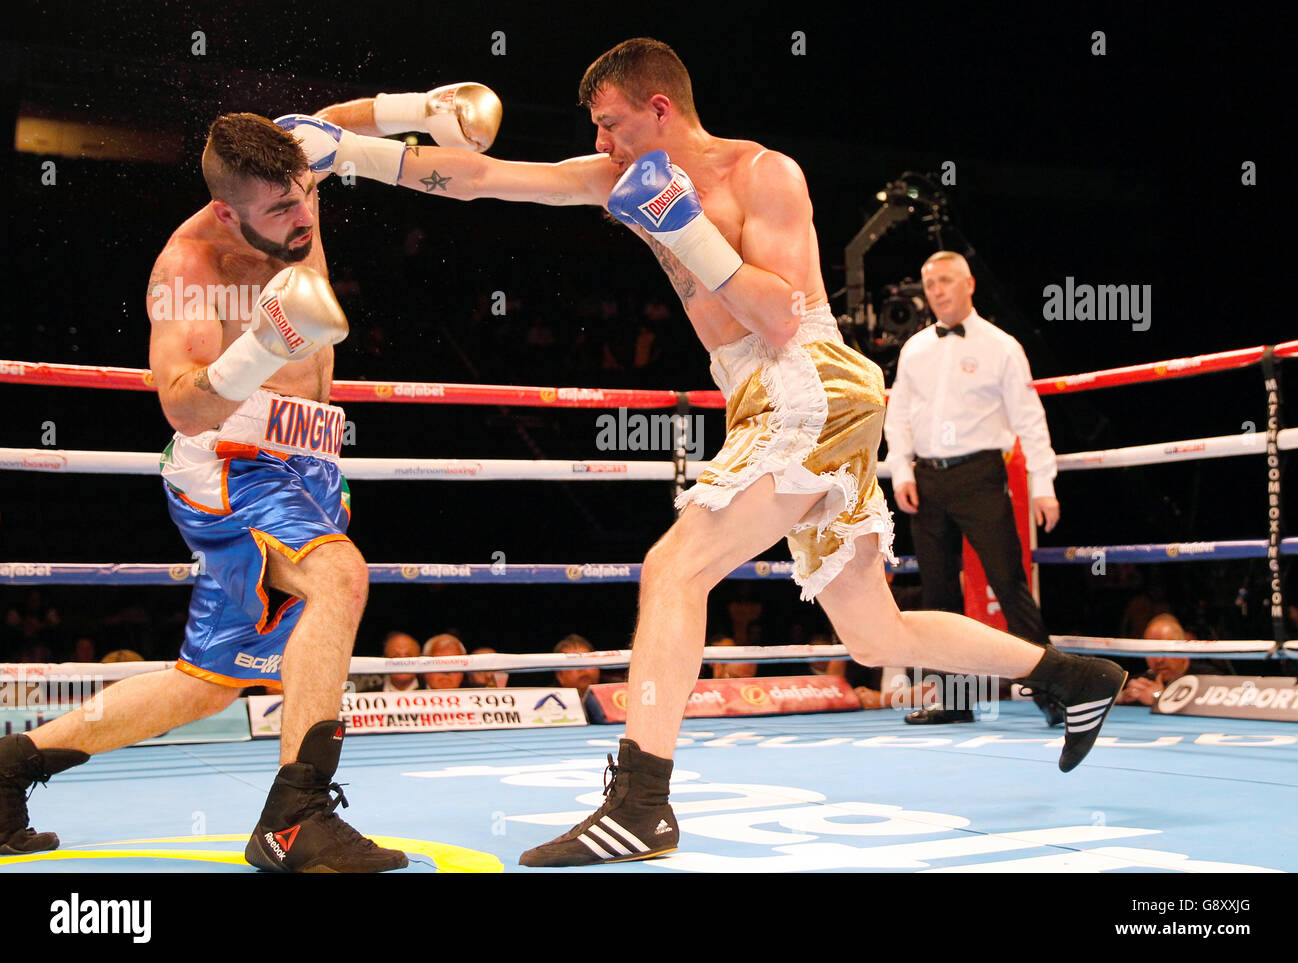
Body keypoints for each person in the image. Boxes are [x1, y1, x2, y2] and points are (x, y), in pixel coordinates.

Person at [287, 37, 1127, 867]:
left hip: (809, 381)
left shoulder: (762, 175)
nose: (601, 144)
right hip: (760, 398)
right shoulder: (617, 177)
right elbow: (479, 179)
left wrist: (683, 227)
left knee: (673, 568)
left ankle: (640, 802)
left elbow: (780, 319)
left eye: (612, 123)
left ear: (660, 108)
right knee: (874, 632)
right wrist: (351, 152)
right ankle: (1066, 674)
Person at [0, 99, 499, 869]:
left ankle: (12, 765)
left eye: (307, 193)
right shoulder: (189, 267)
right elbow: (181, 402)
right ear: (229, 214)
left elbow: (333, 119)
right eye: (280, 207)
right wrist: (262, 347)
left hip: (308, 464)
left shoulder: (293, 168)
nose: (305, 213)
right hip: (231, 464)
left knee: (206, 684)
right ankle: (294, 819)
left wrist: (422, 109)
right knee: (339, 575)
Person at [883, 250, 1064, 728]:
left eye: (945, 280)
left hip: (982, 475)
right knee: (938, 592)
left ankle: (1057, 694)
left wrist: (1043, 484)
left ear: (969, 285)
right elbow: (897, 414)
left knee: (1009, 583)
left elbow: (1030, 419)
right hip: (926, 480)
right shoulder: (915, 348)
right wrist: (900, 471)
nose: (937, 290)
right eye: (930, 282)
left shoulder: (1002, 346)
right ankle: (954, 698)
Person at [553, 634, 602, 700]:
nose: (583, 669)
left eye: (587, 662)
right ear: (560, 676)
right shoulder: (548, 702)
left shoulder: (613, 694)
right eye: (574, 664)